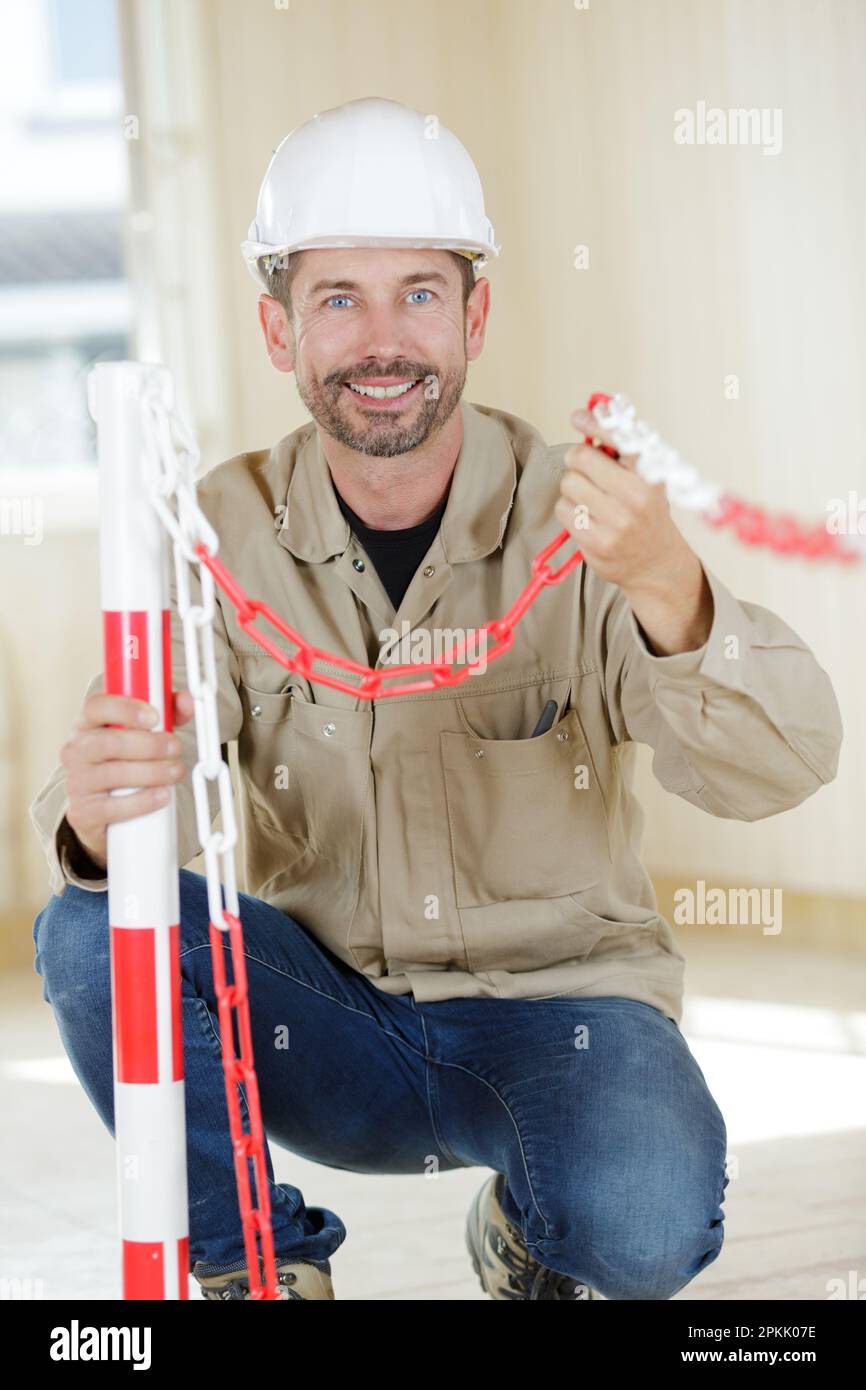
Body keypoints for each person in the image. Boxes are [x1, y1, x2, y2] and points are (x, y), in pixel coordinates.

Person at [29, 96, 843, 1301]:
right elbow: (117, 797)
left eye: (417, 292)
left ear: (474, 313)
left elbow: (785, 765)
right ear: (276, 329)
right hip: (328, 1022)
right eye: (335, 298)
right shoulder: (216, 532)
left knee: (637, 1227)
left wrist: (673, 588)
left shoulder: (585, 518)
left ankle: (529, 1233)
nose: (381, 340)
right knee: (88, 929)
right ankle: (253, 1264)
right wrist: (91, 817)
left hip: (563, 1017)